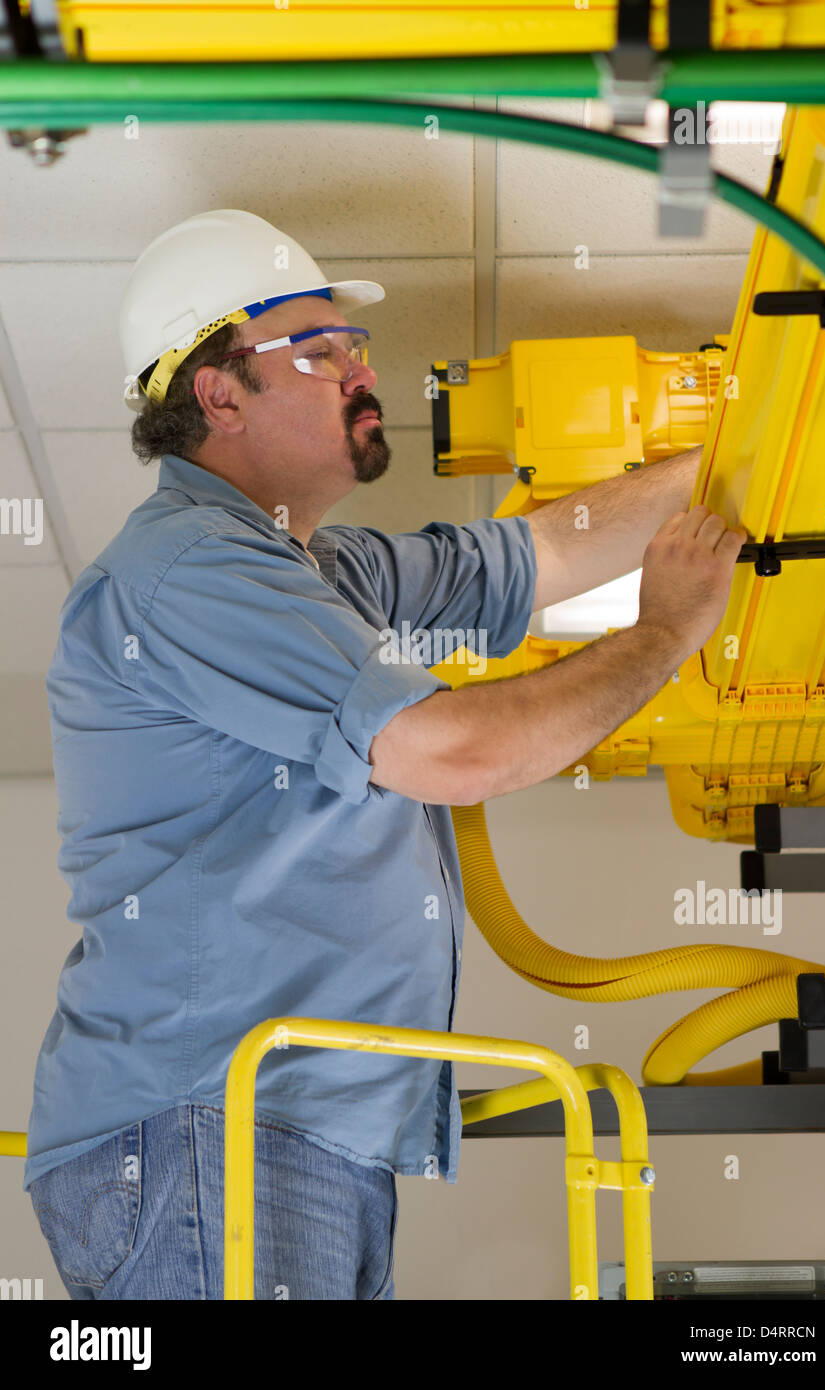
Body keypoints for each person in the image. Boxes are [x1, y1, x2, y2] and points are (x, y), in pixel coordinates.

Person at [24, 209, 745, 1300]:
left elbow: (547, 550)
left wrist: (748, 458)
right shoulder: (188, 571)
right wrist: (661, 633)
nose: (362, 370)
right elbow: (446, 754)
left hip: (288, 1126)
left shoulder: (330, 576)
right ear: (215, 394)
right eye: (319, 350)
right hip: (206, 1123)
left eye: (356, 347)